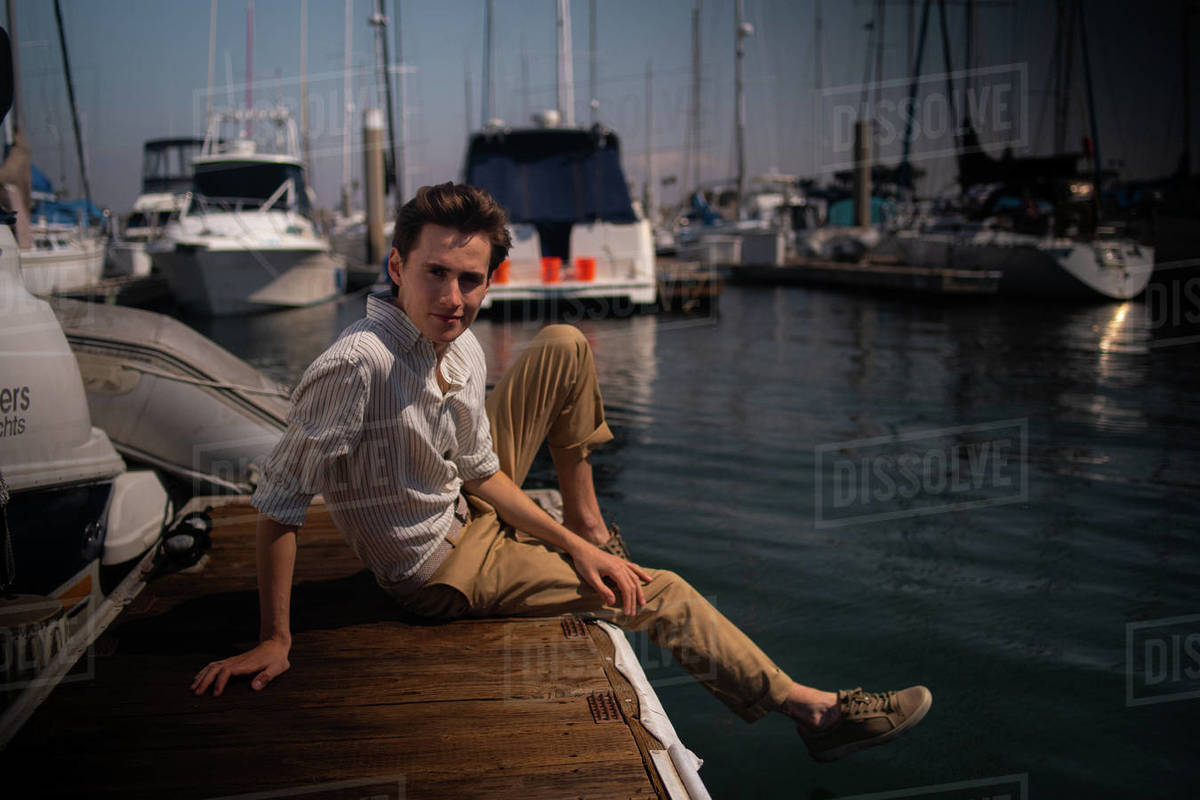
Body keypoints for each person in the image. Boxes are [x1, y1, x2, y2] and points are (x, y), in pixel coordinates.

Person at [190, 182, 931, 762]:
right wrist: (276, 638)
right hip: (436, 574)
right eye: (435, 274)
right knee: (657, 590)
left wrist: (576, 544)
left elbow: (481, 471)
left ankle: (586, 523)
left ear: (490, 279)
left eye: (470, 280)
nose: (452, 298)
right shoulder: (357, 367)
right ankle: (814, 713)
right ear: (397, 268)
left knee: (564, 343)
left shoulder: (461, 345)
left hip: (464, 505)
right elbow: (280, 504)